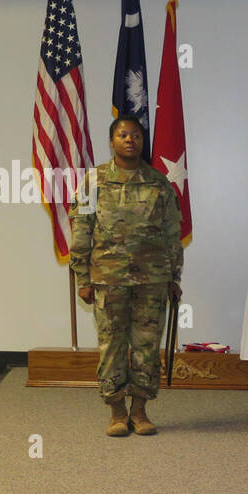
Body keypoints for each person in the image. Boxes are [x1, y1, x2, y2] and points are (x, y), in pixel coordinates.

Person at [69, 115, 183, 437]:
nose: (130, 140)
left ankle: (140, 411)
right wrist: (83, 278)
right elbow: (81, 231)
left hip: (152, 280)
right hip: (109, 279)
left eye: (135, 135)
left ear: (142, 141)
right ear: (112, 141)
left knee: (146, 346)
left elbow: (171, 233)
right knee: (112, 345)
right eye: (123, 135)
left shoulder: (159, 183)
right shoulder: (94, 182)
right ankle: (117, 412)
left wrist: (173, 277)